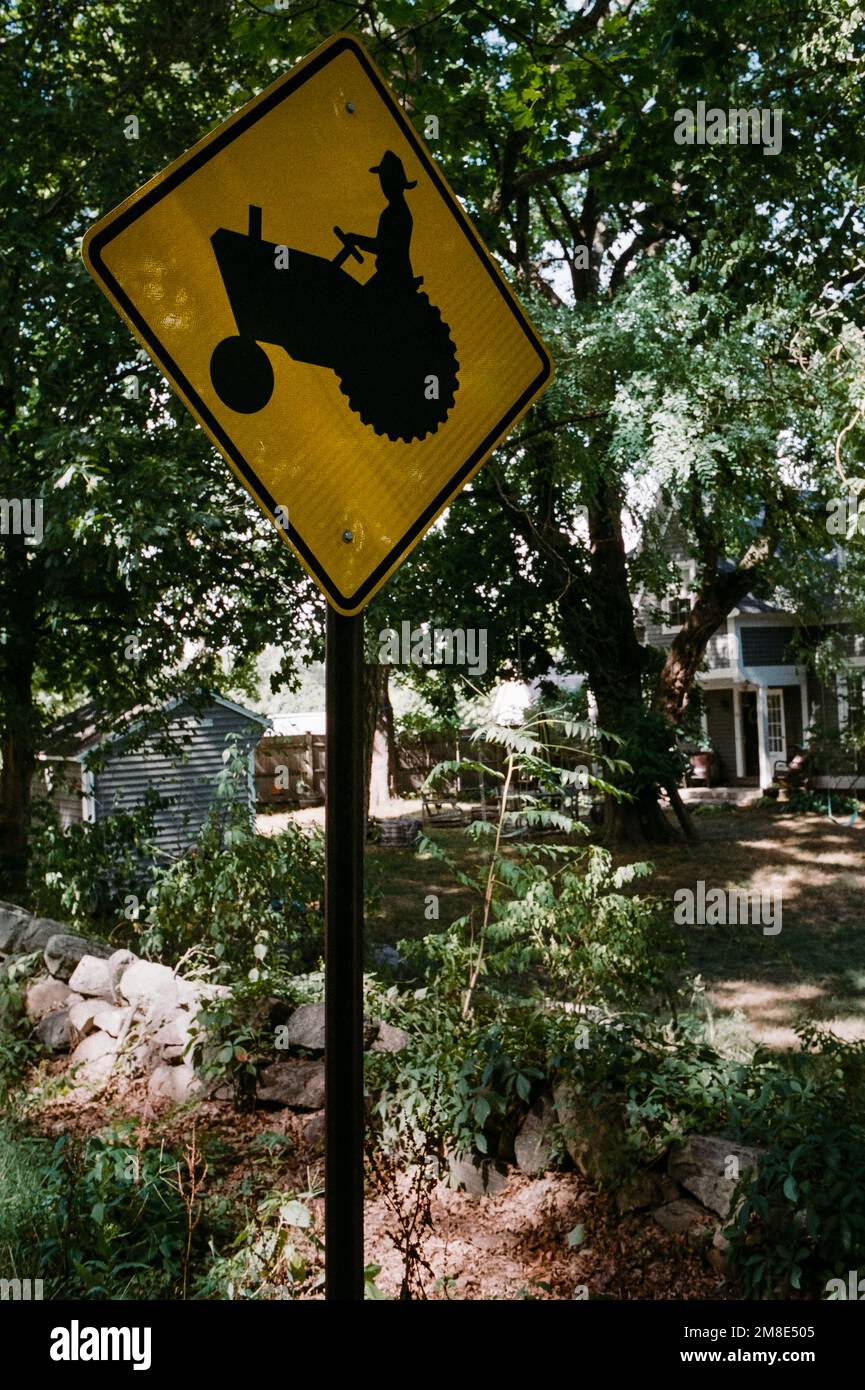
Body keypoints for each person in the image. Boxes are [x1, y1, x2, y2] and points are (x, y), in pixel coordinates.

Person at [335, 150, 419, 295]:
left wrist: (356, 239)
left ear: (396, 183)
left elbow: (384, 246)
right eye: (382, 180)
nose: (383, 185)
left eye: (386, 180)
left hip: (394, 279)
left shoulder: (396, 213)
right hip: (390, 275)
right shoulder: (394, 211)